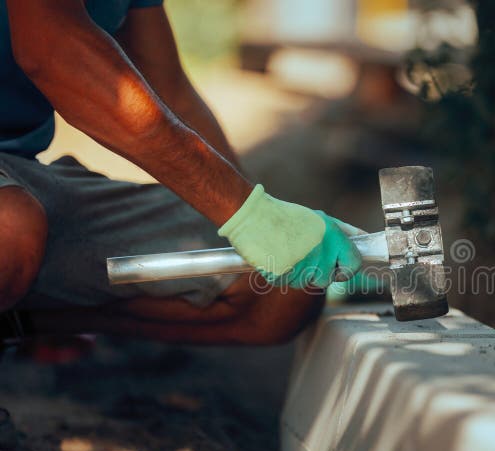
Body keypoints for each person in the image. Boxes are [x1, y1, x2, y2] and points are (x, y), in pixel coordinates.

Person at [0, 0, 363, 346]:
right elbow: (54, 53)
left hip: (18, 170)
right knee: (9, 229)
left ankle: (23, 324)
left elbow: (170, 92)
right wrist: (246, 214)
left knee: (277, 288)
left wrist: (270, 224)